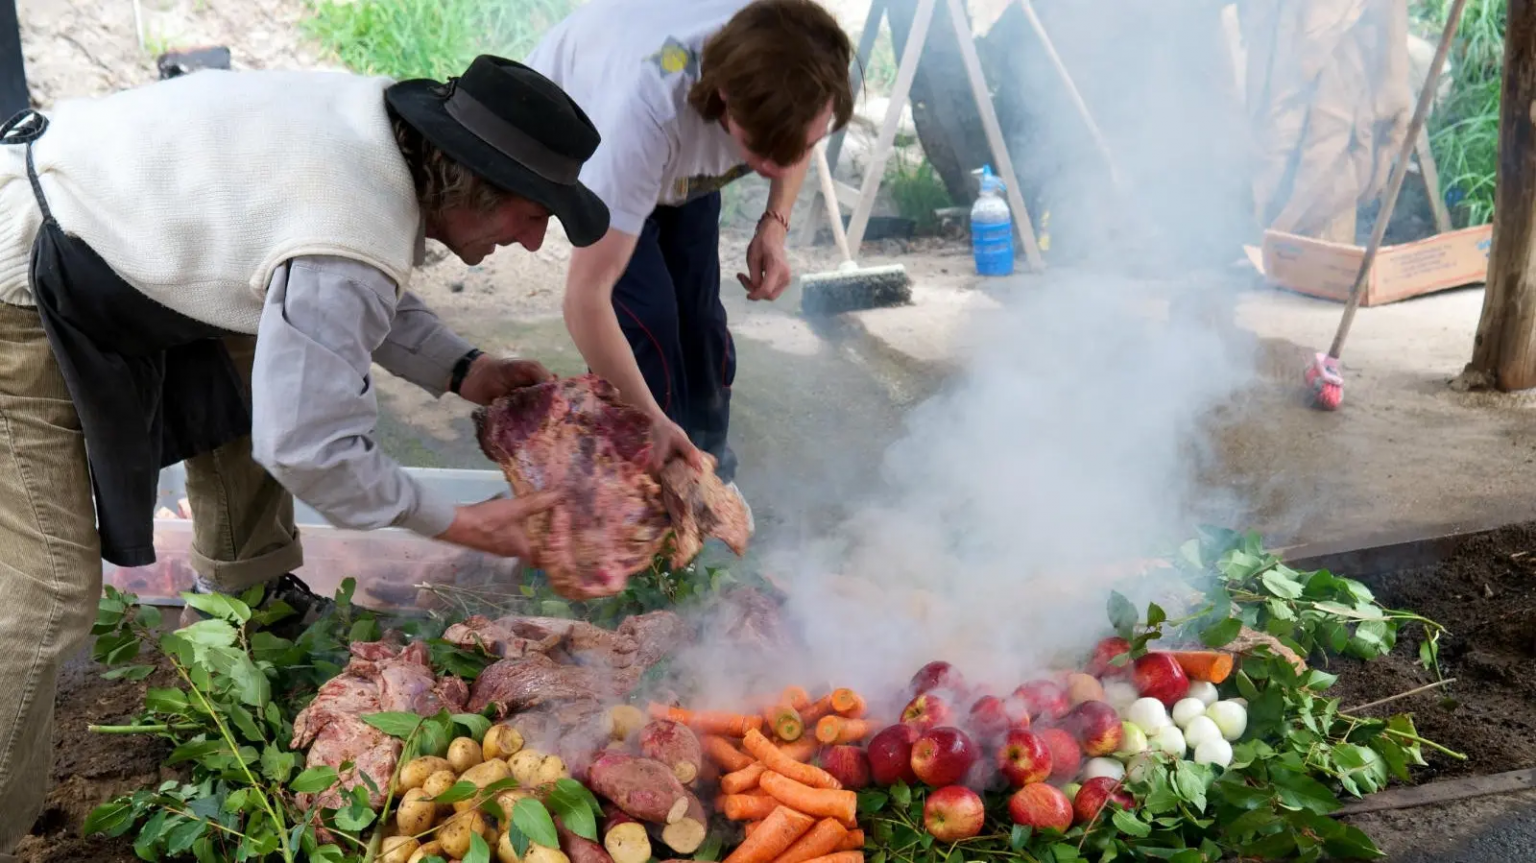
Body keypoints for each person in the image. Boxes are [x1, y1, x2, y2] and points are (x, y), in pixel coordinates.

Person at [0, 55, 608, 855]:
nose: (534, 241)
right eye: (534, 214)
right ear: (474, 185)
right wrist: (462, 521)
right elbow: (311, 442)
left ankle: (248, 626)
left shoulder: (374, 148)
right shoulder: (354, 214)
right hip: (20, 272)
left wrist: (463, 368)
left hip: (98, 223)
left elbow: (338, 277)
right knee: (44, 595)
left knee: (262, 360)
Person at [524, 0, 855, 508]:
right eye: (762, 148)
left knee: (701, 324)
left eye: (792, 149)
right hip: (590, 124)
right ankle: (648, 494)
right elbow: (585, 298)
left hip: (681, 162)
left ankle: (707, 472)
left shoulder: (805, 66)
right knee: (647, 321)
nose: (775, 166)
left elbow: (795, 130)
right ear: (724, 96)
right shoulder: (646, 110)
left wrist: (775, 223)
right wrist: (652, 420)